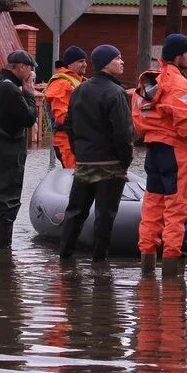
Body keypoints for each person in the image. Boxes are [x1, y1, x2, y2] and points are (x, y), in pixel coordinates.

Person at [133, 33, 187, 276]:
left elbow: (139, 122)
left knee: (152, 209)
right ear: (178, 56)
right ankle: (173, 278)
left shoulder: (147, 85)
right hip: (177, 153)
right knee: (178, 211)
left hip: (154, 153)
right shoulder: (180, 85)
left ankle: (146, 270)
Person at [59, 44, 135, 261]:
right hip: (110, 165)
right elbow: (122, 132)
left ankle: (65, 258)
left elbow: (68, 125)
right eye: (117, 58)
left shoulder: (79, 90)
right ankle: (99, 263)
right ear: (105, 63)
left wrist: (79, 153)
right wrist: (125, 161)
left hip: (84, 162)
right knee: (105, 215)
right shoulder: (116, 93)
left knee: (75, 211)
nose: (122, 62)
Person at [0, 49, 40, 249]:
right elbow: (29, 118)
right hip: (6, 156)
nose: (32, 74)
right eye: (30, 69)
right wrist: (30, 94)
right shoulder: (10, 89)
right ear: (21, 67)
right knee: (5, 208)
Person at [46, 46, 88, 169]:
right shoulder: (62, 83)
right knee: (73, 175)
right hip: (66, 140)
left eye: (85, 61)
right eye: (80, 61)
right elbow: (61, 116)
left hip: (77, 138)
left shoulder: (78, 81)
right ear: (69, 64)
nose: (85, 64)